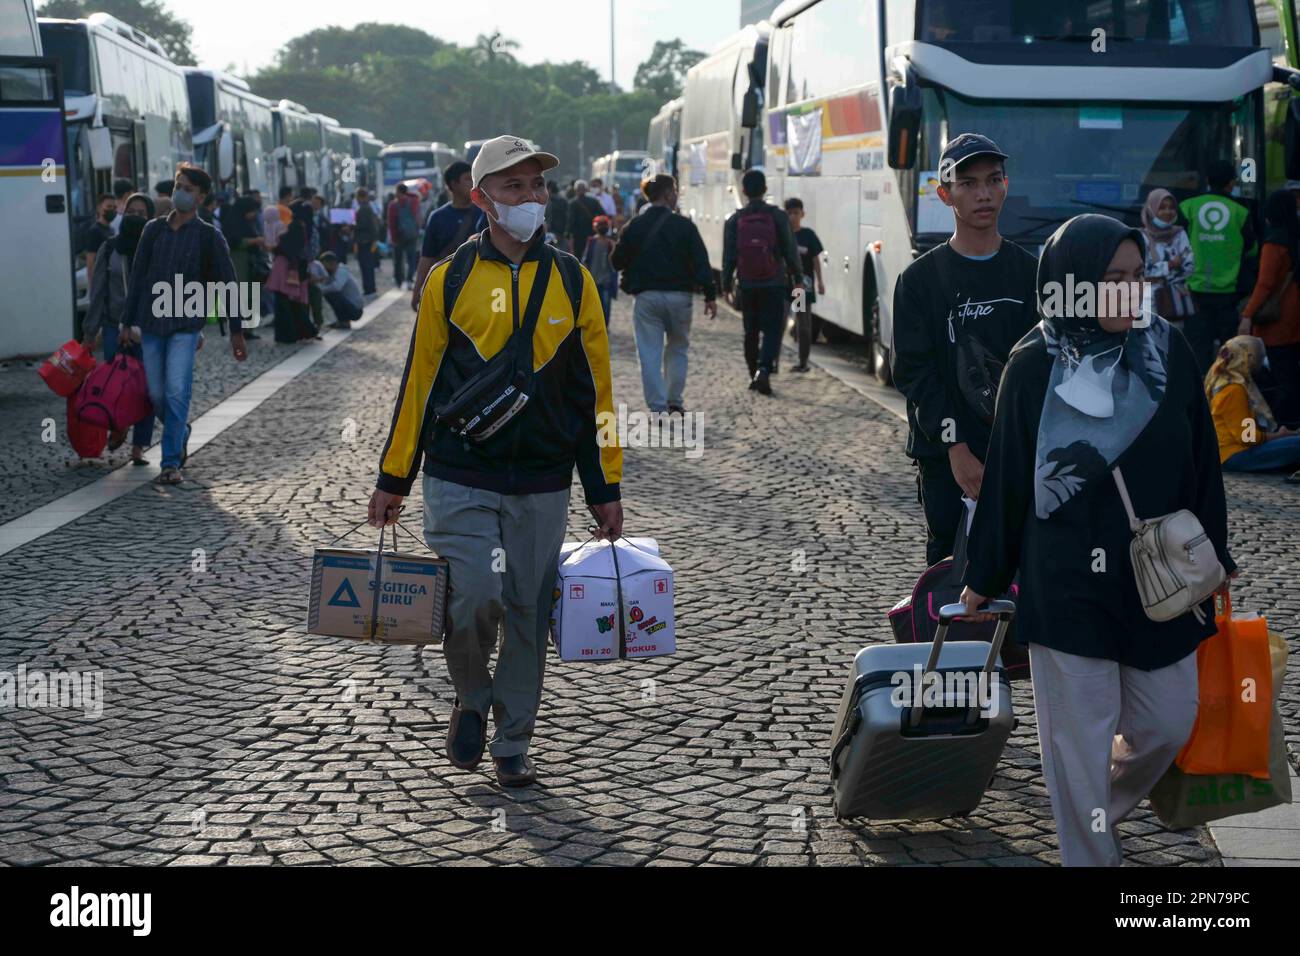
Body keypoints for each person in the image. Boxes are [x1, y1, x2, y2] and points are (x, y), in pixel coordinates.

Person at [960, 215, 1236, 867]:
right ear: (1073, 283)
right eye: (1113, 278)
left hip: (1157, 579)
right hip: (1067, 584)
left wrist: (1216, 558)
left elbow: (1203, 461)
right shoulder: (1034, 363)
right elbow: (1007, 481)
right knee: (1079, 745)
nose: (1130, 290)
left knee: (1167, 721)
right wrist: (984, 575)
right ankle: (1089, 852)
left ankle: (1086, 815)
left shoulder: (1168, 350)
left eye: (1139, 276)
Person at [368, 135, 623, 789]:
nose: (530, 197)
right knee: (473, 597)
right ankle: (472, 696)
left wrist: (605, 485)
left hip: (542, 480)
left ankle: (512, 741)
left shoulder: (573, 278)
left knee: (529, 614)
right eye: (514, 187)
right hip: (459, 475)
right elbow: (417, 382)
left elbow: (596, 389)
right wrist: (394, 477)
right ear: (481, 199)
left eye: (537, 185)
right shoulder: (449, 279)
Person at [890, 133, 1039, 566]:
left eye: (993, 180)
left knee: (1023, 566)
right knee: (951, 570)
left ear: (1006, 185)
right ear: (945, 194)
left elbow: (1044, 368)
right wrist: (956, 449)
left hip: (1017, 450)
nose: (984, 193)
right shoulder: (919, 280)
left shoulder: (1030, 272)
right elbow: (915, 374)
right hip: (946, 455)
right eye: (968, 183)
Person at [120, 163, 248, 485]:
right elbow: (138, 277)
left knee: (177, 393)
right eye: (179, 185)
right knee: (156, 393)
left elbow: (228, 283)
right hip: (151, 323)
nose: (181, 192)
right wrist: (126, 321)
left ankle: (170, 462)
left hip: (185, 325)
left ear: (201, 197)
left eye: (188, 188)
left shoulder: (209, 236)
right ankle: (182, 431)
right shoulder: (153, 230)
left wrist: (236, 330)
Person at [612, 173, 717, 414]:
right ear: (669, 194)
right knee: (678, 348)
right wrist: (710, 296)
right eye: (676, 190)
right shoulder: (685, 226)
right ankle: (674, 401)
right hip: (680, 297)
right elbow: (701, 262)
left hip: (647, 298)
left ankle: (658, 406)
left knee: (649, 352)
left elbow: (617, 261)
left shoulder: (635, 225)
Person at [83, 192, 157, 465]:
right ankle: (118, 426)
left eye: (142, 213)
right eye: (133, 212)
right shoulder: (110, 247)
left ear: (150, 217)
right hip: (115, 326)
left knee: (147, 389)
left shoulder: (157, 248)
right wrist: (90, 333)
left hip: (148, 329)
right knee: (116, 385)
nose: (137, 217)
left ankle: (140, 446)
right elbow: (99, 291)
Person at [721, 169, 802, 397]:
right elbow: (790, 250)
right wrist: (797, 278)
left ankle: (752, 372)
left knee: (751, 331)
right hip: (774, 282)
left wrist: (725, 284)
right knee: (773, 330)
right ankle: (764, 369)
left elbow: (729, 256)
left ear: (744, 191)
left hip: (747, 284)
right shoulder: (778, 216)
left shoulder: (735, 219)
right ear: (765, 189)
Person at [1181, 159, 1257, 374]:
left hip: (1194, 294)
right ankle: (1225, 400)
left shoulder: (1188, 208)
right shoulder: (1241, 212)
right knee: (1229, 360)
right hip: (1228, 297)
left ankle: (1200, 402)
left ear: (1207, 181)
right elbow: (1252, 251)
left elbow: (1177, 244)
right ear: (1231, 183)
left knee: (1198, 356)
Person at [1238, 189, 1300, 426]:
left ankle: (1287, 425)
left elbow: (1265, 285)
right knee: (1292, 372)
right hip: (1295, 318)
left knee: (1283, 376)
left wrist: (1247, 315)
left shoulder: (1274, 243)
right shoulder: (1295, 238)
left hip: (1278, 322)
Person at [1207, 335, 1300, 477]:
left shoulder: (1221, 382)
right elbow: (1247, 437)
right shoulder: (1234, 390)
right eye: (1259, 357)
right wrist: (1279, 436)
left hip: (1229, 454)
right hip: (1236, 455)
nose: (1261, 361)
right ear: (1248, 358)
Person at [410, 161, 486, 311]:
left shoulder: (485, 212)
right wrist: (417, 291)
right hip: (447, 288)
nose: (473, 183)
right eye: (467, 179)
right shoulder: (438, 217)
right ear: (453, 184)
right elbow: (427, 258)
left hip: (480, 287)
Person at [1141, 188, 1194, 329]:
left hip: (1173, 298)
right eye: (1162, 208)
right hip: (1147, 300)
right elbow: (1142, 270)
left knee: (1173, 340)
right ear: (1151, 210)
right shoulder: (1141, 236)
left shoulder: (1179, 233)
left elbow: (1189, 266)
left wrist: (1160, 272)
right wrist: (1170, 265)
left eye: (1171, 208)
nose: (1167, 212)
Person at [268, 200, 319, 344]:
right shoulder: (307, 227)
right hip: (297, 267)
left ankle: (287, 334)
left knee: (283, 301)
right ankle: (302, 330)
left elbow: (282, 247)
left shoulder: (293, 226)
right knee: (294, 301)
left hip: (285, 266)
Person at [783, 198, 826, 373]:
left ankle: (803, 361)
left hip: (801, 288)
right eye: (789, 213)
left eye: (796, 213)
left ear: (802, 214)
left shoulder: (808, 236)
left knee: (803, 324)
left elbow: (816, 259)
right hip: (783, 286)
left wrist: (820, 281)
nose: (793, 217)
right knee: (780, 320)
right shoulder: (782, 234)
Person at [312, 252, 365, 330]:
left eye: (324, 266)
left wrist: (321, 289)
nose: (324, 269)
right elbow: (325, 285)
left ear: (332, 263)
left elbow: (336, 287)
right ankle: (342, 320)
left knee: (332, 294)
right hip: (350, 306)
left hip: (355, 310)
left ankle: (344, 321)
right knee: (329, 293)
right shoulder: (332, 273)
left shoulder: (341, 271)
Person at [582, 215, 618, 325]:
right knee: (595, 305)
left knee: (605, 307)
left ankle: (603, 326)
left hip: (605, 280)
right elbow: (586, 259)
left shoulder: (610, 244)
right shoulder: (592, 241)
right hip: (594, 279)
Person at [387, 182, 422, 289]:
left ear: (398, 191)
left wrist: (393, 238)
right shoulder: (413, 201)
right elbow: (418, 217)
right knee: (411, 258)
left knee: (398, 259)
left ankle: (399, 280)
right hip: (412, 234)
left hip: (399, 235)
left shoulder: (393, 204)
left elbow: (391, 223)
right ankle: (409, 279)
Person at [80, 193, 117, 287]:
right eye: (109, 206)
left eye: (114, 207)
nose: (112, 210)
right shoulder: (94, 231)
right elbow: (91, 263)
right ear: (99, 208)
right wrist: (93, 287)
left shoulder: (111, 230)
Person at [352, 187, 381, 298]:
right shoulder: (367, 207)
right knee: (367, 266)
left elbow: (364, 225)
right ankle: (369, 289)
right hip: (367, 240)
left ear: (360, 196)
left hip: (364, 240)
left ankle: (369, 290)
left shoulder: (363, 208)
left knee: (366, 266)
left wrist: (353, 225)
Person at [566, 180, 603, 255]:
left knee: (578, 255)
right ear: (586, 190)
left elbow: (570, 221)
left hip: (577, 236)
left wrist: (568, 234)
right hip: (592, 233)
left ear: (575, 190)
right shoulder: (594, 201)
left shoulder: (572, 203)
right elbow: (602, 215)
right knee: (589, 254)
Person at [545, 179, 570, 252]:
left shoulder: (550, 201)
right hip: (561, 232)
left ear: (549, 189)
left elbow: (549, 217)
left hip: (552, 231)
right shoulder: (564, 200)